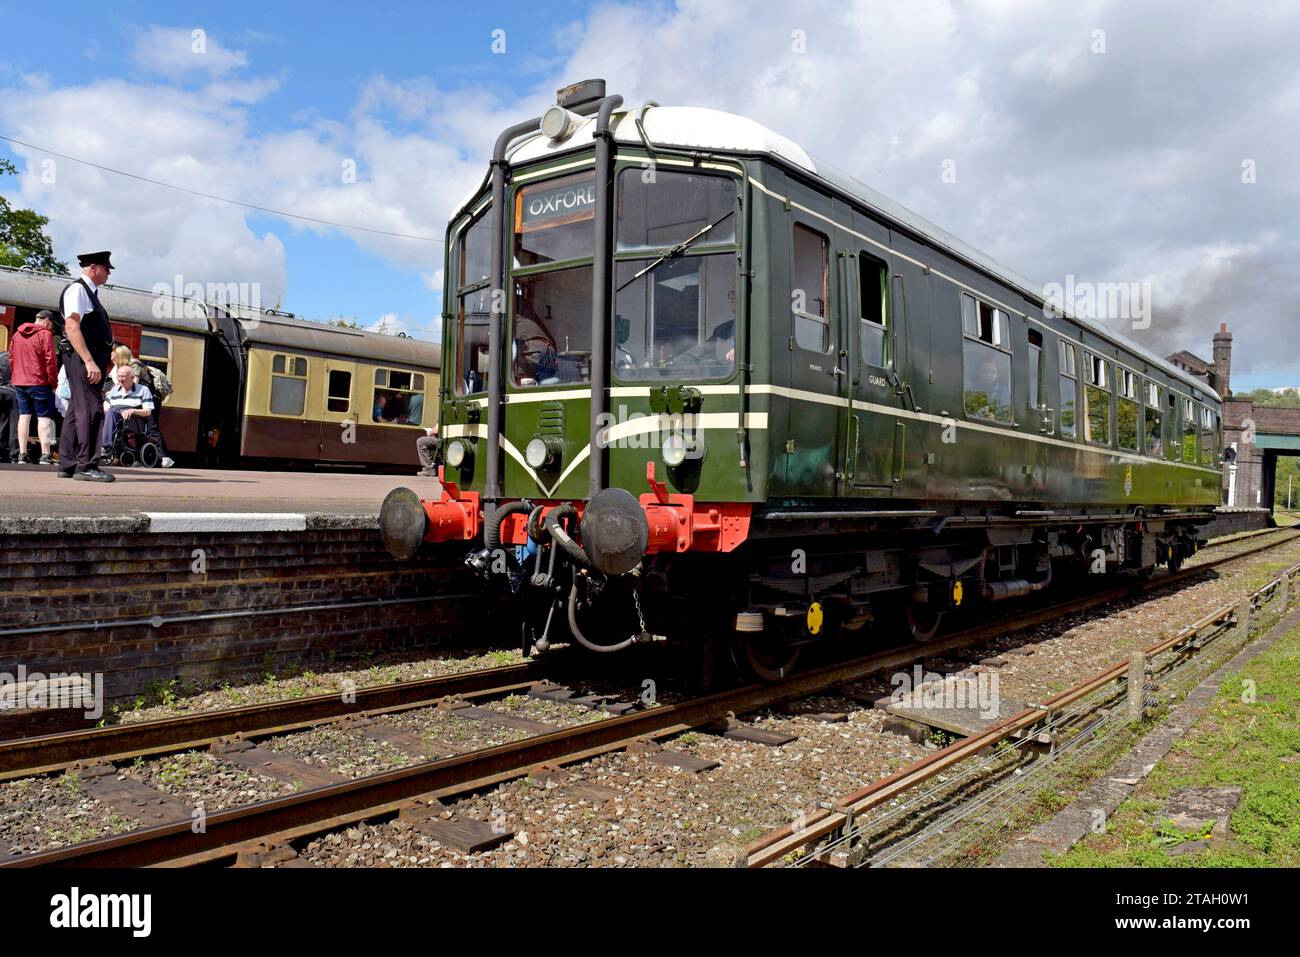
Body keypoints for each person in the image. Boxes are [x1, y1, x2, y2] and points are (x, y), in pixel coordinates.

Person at [57, 250, 117, 482]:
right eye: (106, 268)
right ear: (93, 268)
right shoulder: (78, 290)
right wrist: (89, 361)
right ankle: (87, 465)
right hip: (84, 359)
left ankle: (68, 463)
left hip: (88, 358)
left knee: (76, 411)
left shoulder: (89, 292)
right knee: (92, 410)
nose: (109, 272)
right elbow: (72, 327)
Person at [101, 345, 174, 466]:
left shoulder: (135, 365)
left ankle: (163, 457)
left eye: (115, 358)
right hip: (133, 400)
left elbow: (132, 384)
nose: (113, 360)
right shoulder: (123, 368)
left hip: (149, 398)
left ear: (121, 356)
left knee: (152, 428)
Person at [9, 310, 59, 464]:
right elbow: (50, 360)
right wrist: (53, 383)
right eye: (51, 325)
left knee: (24, 416)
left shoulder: (17, 335)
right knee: (43, 417)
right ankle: (45, 455)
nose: (51, 328)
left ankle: (22, 454)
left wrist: (16, 375)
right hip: (39, 382)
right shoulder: (45, 334)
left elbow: (11, 358)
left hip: (20, 381)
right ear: (46, 321)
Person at [102, 363, 164, 458]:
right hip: (114, 417)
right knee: (101, 415)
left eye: (124, 377)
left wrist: (133, 411)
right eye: (119, 376)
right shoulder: (114, 390)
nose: (120, 379)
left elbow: (148, 411)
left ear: (132, 377)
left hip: (134, 419)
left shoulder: (143, 390)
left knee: (111, 413)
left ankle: (105, 448)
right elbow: (106, 407)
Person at [0, 350, 18, 463]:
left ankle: (1, 450)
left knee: (2, 421)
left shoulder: (2, 355)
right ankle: (14, 453)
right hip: (13, 392)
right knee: (15, 423)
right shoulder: (16, 357)